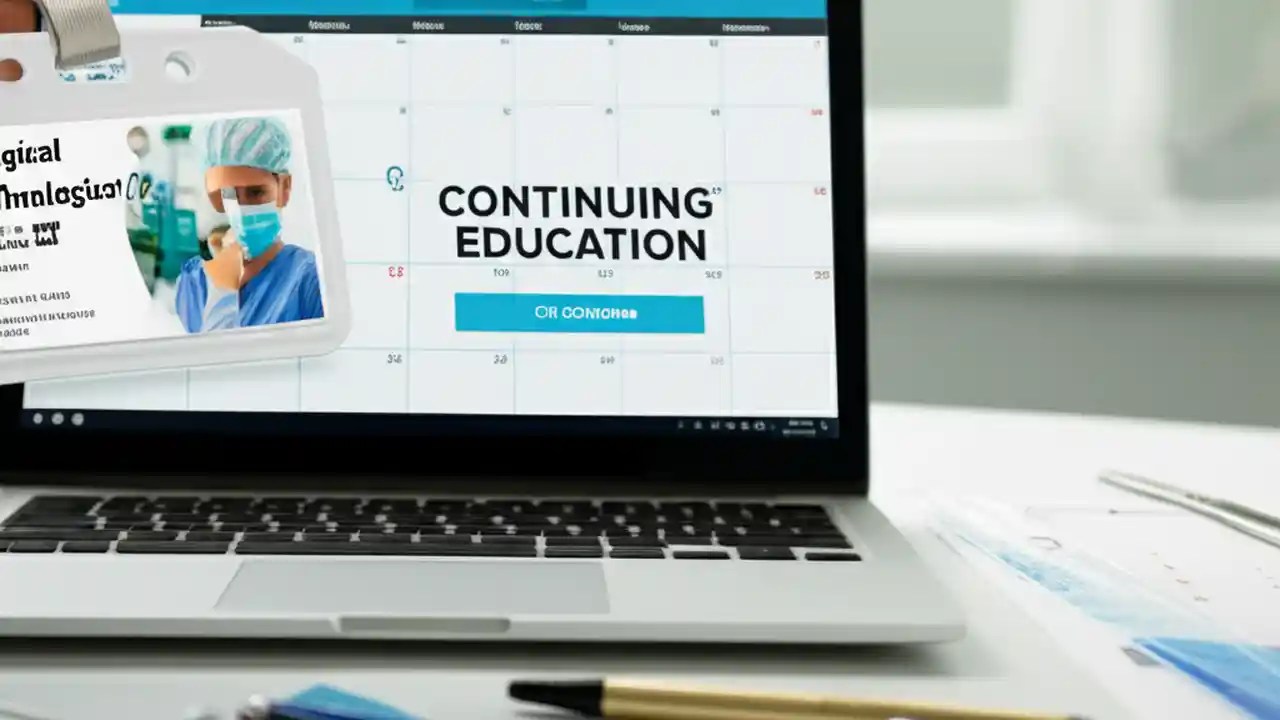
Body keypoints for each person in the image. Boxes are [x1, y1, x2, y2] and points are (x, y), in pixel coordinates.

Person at [174, 116, 324, 333]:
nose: (241, 208)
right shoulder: (193, 283)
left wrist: (223, 290)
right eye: (228, 193)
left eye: (255, 192)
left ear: (284, 188)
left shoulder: (310, 280)